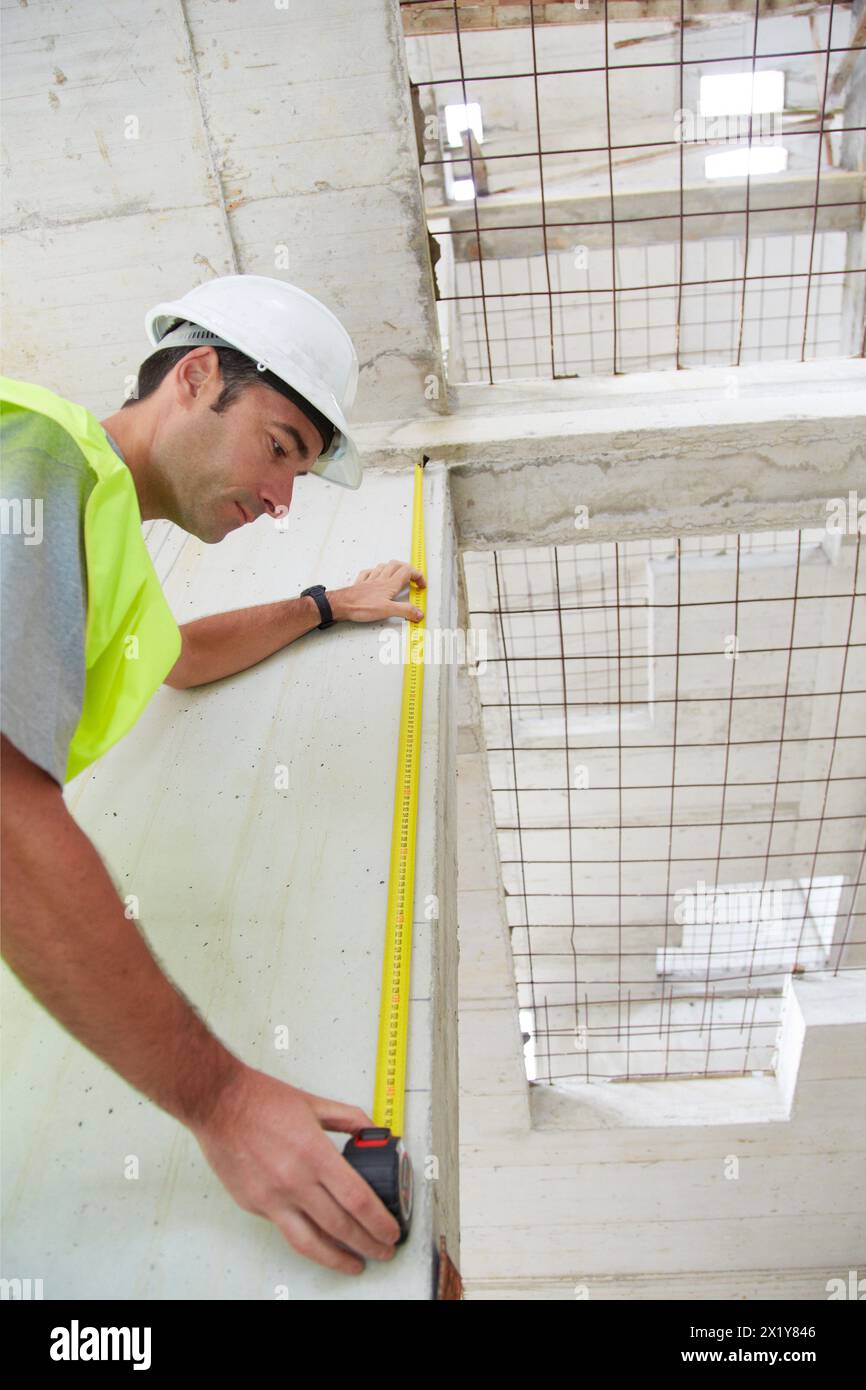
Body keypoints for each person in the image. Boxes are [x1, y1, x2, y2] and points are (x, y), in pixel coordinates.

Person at [0, 274, 426, 1278]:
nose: (283, 499)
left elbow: (182, 654)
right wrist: (220, 1100)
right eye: (280, 448)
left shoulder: (103, 551)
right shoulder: (38, 452)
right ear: (196, 376)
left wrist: (326, 604)